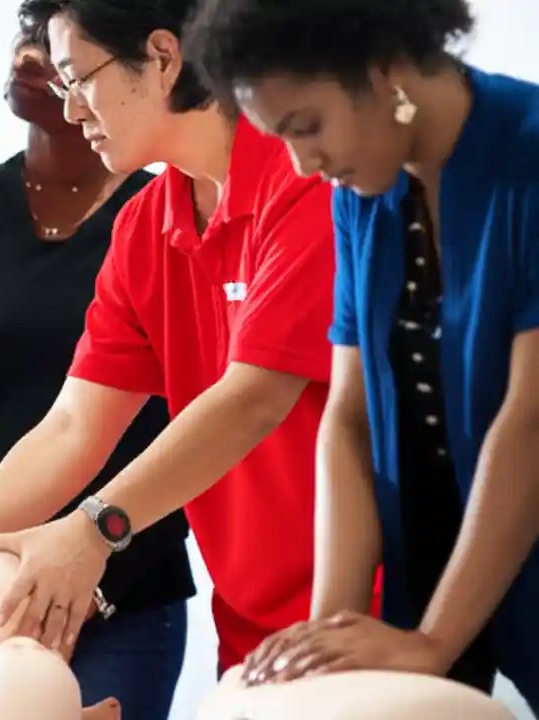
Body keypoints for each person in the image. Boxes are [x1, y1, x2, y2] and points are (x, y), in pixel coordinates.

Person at [0, 0, 343, 679]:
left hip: (369, 607)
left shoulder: (305, 178)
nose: (71, 111)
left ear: (161, 56)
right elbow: (71, 427)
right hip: (252, 630)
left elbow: (253, 398)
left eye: (78, 78)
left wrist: (96, 529)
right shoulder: (144, 228)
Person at [183, 0, 539, 706]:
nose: (303, 164)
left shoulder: (527, 154)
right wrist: (328, 630)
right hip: (429, 563)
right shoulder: (364, 191)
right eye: (279, 139)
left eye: (307, 127)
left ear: (385, 72)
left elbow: (530, 421)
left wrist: (434, 641)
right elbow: (350, 417)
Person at [0, 26, 192, 717]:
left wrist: (93, 569)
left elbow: (199, 423)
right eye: (26, 39)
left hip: (126, 592)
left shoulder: (154, 214)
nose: (31, 58)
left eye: (64, 62)